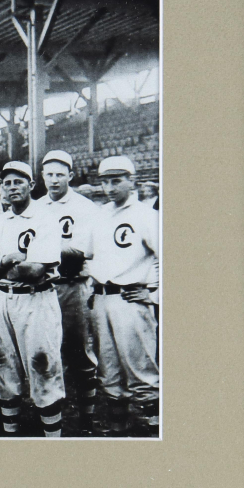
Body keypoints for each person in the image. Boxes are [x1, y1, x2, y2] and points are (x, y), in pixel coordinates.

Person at [0, 161, 66, 437]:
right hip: (3, 299)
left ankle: (53, 442)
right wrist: (8, 259)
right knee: (3, 367)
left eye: (18, 182)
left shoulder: (45, 218)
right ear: (1, 188)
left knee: (43, 366)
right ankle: (11, 435)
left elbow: (35, 270)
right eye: (7, 183)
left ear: (31, 185)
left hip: (36, 300)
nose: (12, 187)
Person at [87, 156, 160, 437]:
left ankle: (155, 430)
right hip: (103, 298)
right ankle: (117, 427)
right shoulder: (100, 214)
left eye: (116, 181)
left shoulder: (145, 215)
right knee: (108, 367)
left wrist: (154, 292)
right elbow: (89, 256)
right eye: (105, 181)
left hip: (131, 298)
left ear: (132, 181)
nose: (109, 187)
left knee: (140, 366)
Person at [39, 149, 102, 432]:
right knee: (46, 351)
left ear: (71, 176)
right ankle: (54, 414)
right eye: (49, 174)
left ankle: (88, 415)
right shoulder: (36, 206)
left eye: (60, 175)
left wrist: (43, 249)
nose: (54, 180)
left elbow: (82, 251)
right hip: (42, 289)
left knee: (79, 352)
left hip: (72, 286)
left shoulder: (84, 207)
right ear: (42, 176)